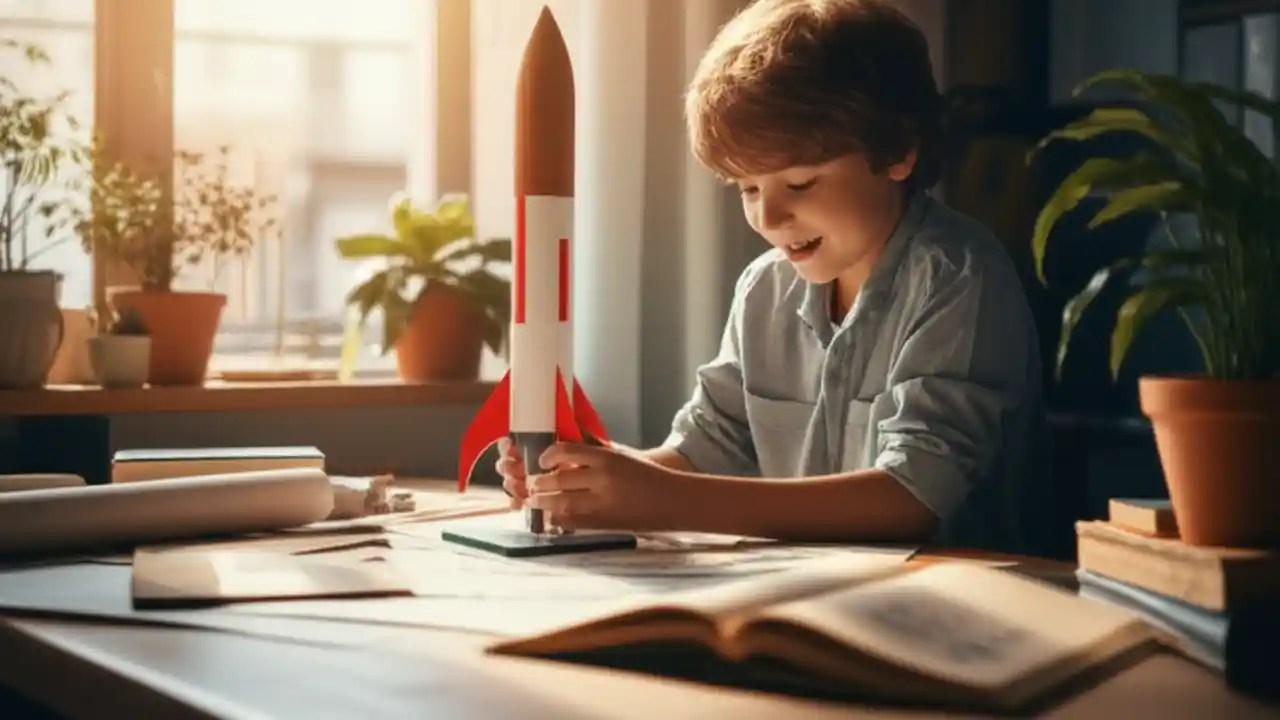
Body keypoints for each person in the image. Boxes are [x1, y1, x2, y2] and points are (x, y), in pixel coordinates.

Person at [497, 0, 1045, 552]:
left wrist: (661, 498)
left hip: (949, 606)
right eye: (748, 189)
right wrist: (594, 478)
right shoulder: (765, 288)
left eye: (801, 184)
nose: (768, 217)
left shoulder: (957, 277)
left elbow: (911, 497)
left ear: (898, 152)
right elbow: (704, 450)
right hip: (806, 595)